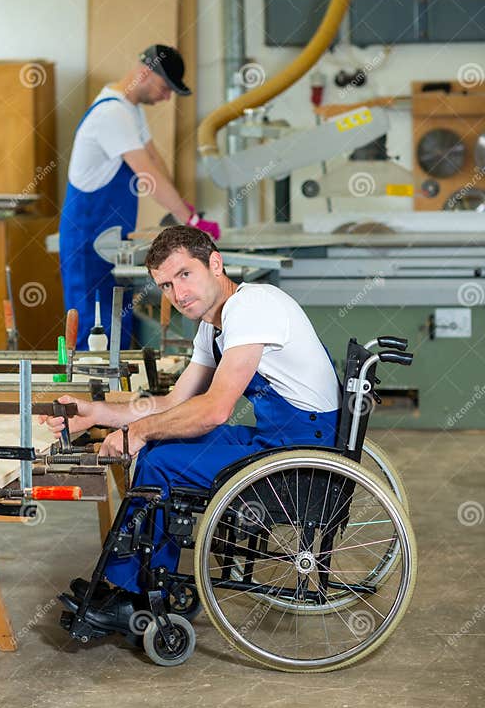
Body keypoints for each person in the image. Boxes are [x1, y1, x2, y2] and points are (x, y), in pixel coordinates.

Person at [42, 226, 341, 612]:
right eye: (165, 285)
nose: (178, 294)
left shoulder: (251, 309)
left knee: (162, 462)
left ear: (215, 264)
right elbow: (172, 402)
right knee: (159, 449)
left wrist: (138, 431)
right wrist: (99, 414)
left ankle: (135, 592)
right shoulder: (212, 326)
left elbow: (215, 410)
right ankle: (137, 583)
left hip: (303, 454)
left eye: (185, 275)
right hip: (278, 438)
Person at [60, 44, 220, 349]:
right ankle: (84, 397)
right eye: (165, 88)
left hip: (110, 243)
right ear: (145, 73)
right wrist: (192, 220)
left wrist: (184, 212)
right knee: (95, 335)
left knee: (116, 331)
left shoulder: (128, 109)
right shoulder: (111, 114)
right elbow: (147, 176)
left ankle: (118, 397)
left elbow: (155, 161)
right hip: (88, 245)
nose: (166, 97)